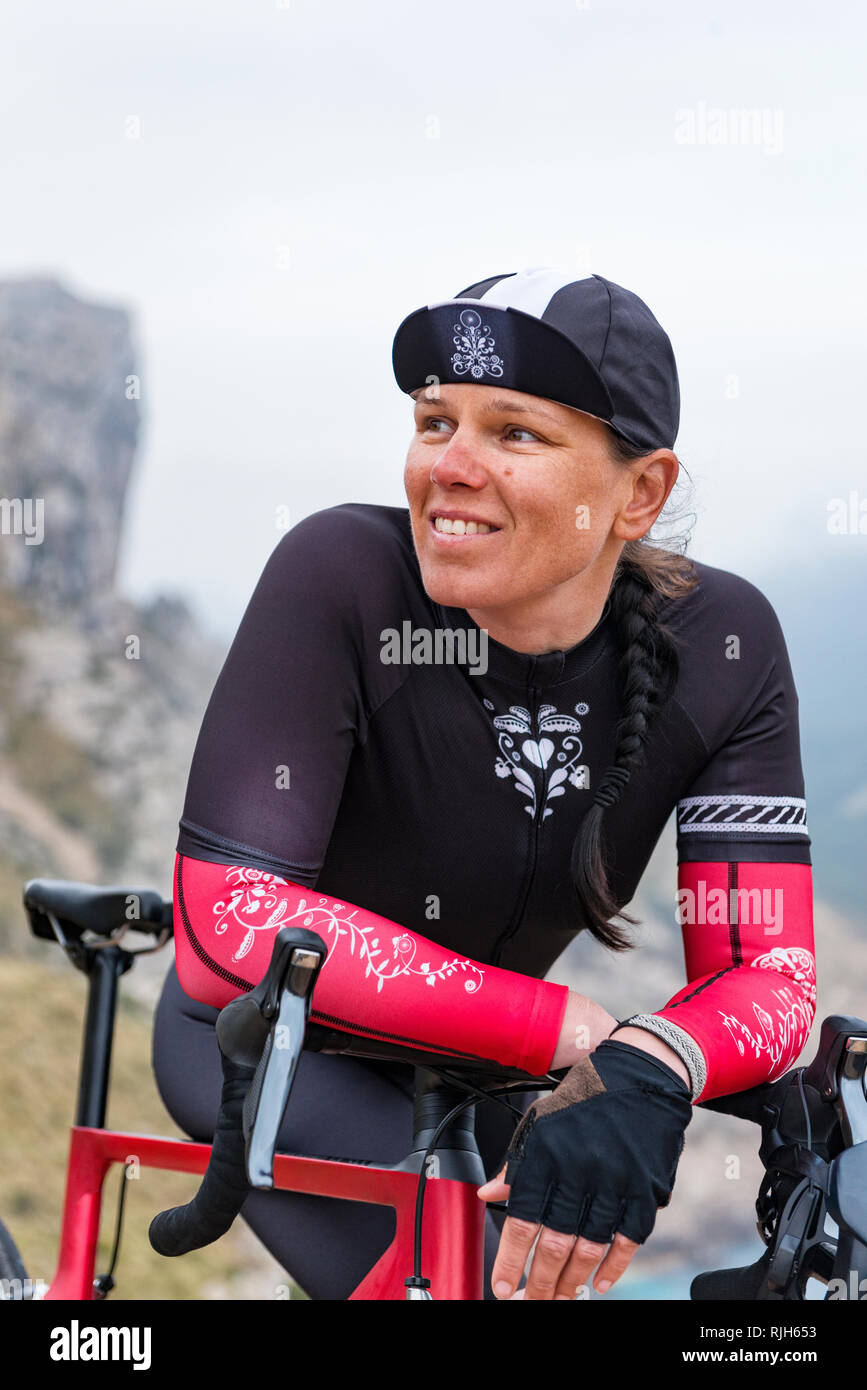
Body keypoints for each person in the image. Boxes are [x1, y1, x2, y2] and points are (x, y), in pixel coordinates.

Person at [151, 266, 816, 1300]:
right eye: (433, 420)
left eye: (514, 433)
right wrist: (576, 1032)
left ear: (639, 494)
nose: (449, 466)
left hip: (496, 1070)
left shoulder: (725, 642)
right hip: (272, 1042)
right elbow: (227, 922)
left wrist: (660, 1058)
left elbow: (774, 973)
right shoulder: (339, 573)